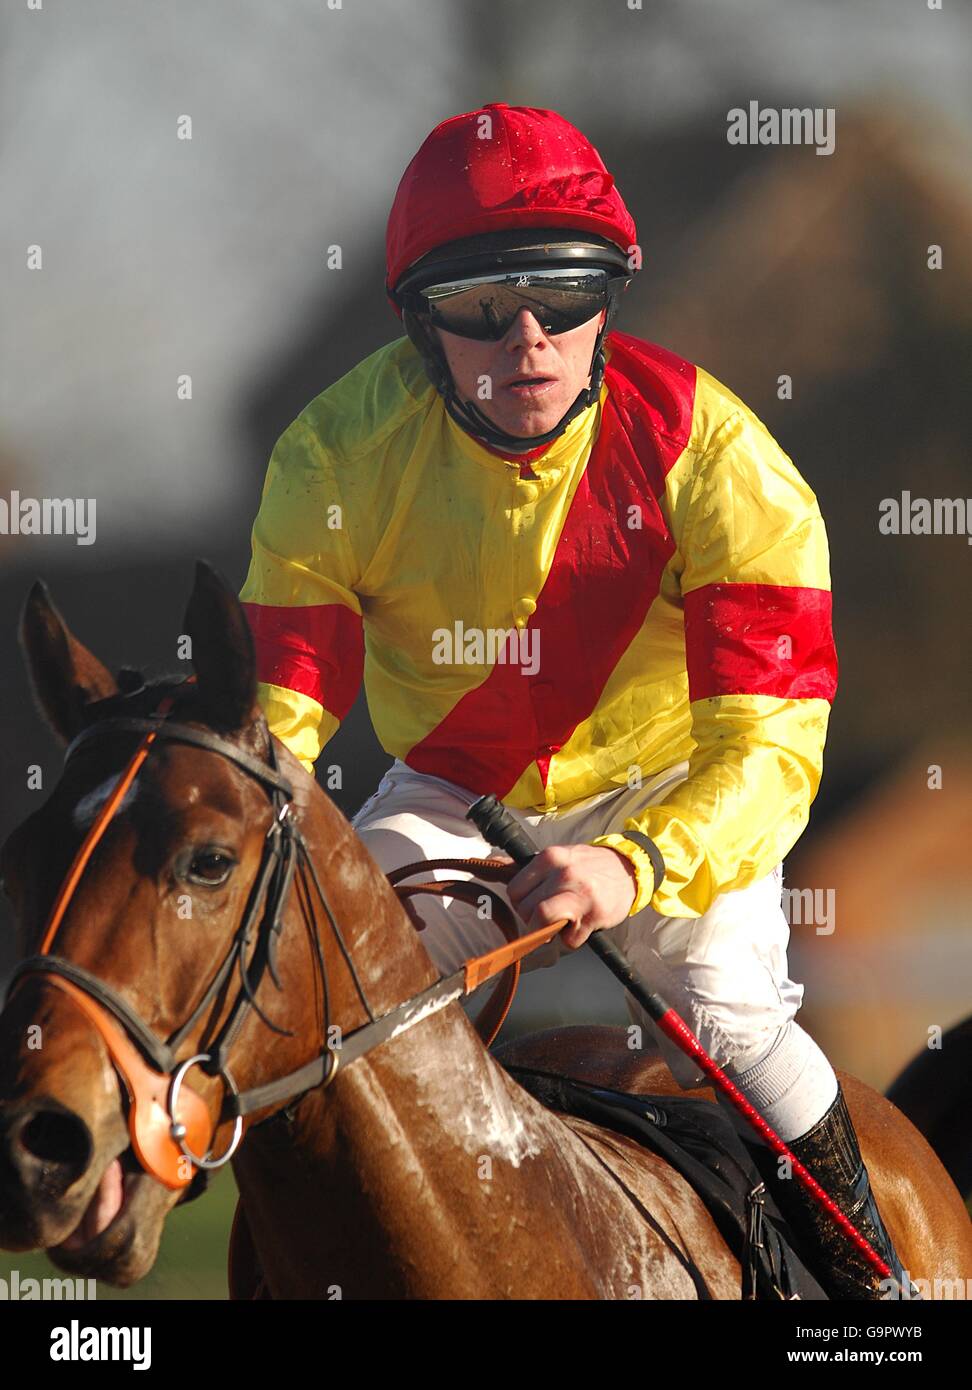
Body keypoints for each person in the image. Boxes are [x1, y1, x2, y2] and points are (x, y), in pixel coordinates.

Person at [239, 102, 910, 1299]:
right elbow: (280, 728)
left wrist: (635, 863)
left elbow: (770, 743)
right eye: (484, 308)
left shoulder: (724, 458)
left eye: (566, 292)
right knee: (319, 1002)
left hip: (676, 794)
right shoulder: (331, 459)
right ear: (421, 322)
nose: (530, 340)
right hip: (454, 800)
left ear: (612, 295)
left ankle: (877, 1292)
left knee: (730, 1018)